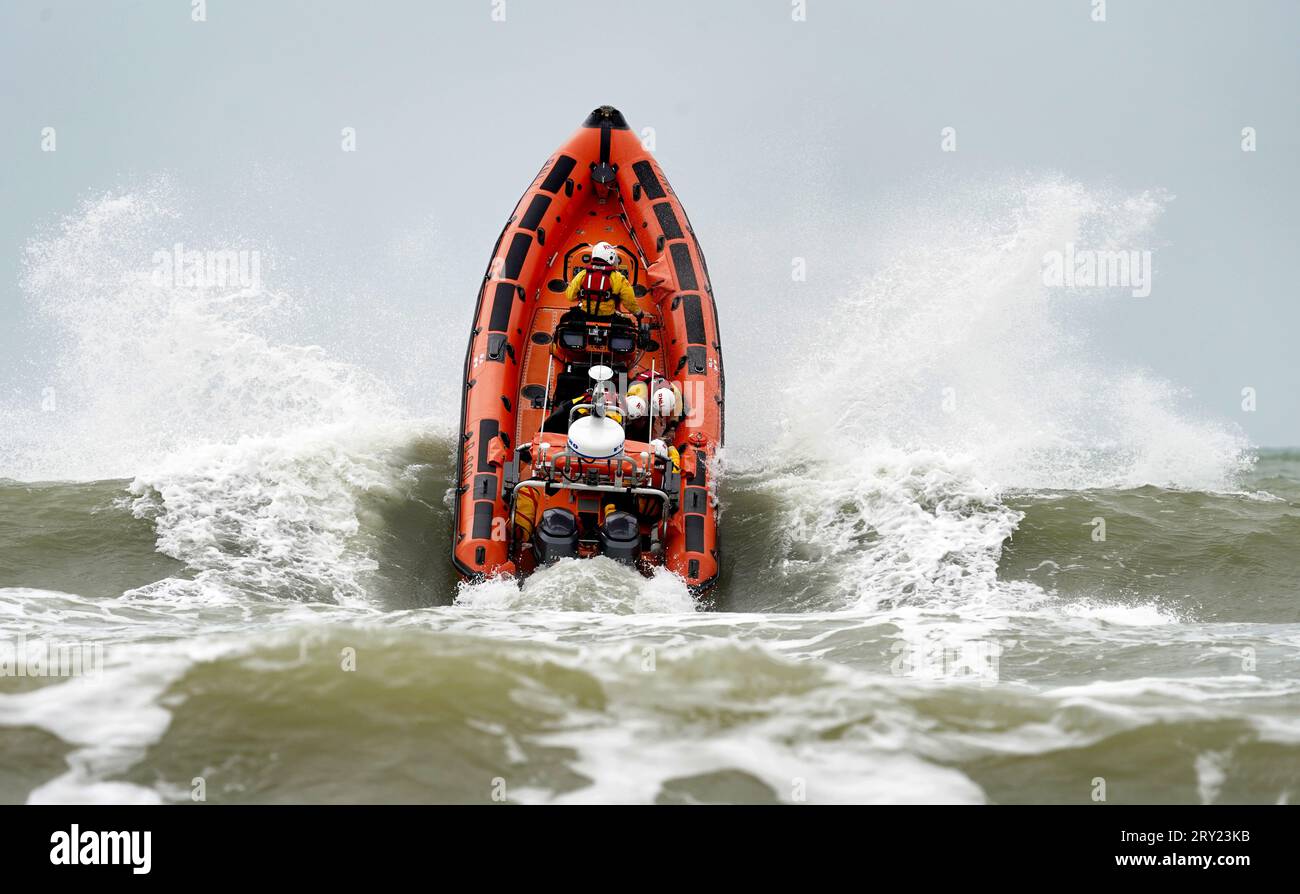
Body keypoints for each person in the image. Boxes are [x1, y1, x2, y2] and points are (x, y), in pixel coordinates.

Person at [564, 242, 640, 318]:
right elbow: (629, 300)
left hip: (585, 315)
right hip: (608, 317)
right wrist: (638, 312)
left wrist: (583, 296)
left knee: (565, 317)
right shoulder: (618, 278)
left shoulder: (582, 274)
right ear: (610, 257)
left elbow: (570, 296)